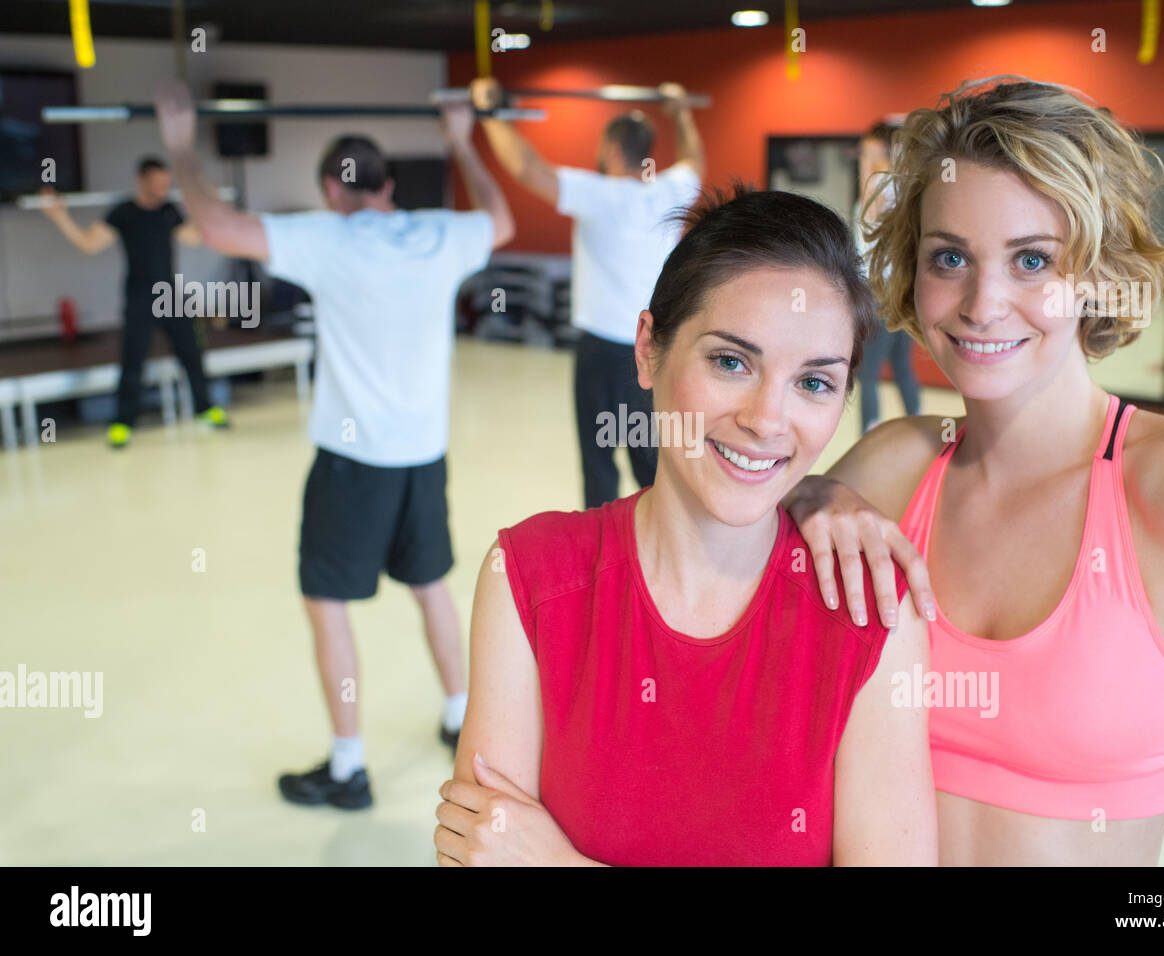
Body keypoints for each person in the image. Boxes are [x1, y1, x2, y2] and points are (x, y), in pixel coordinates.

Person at [784, 77, 1164, 865]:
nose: (983, 303)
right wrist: (801, 496)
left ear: (1096, 273)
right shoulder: (890, 466)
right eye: (949, 257)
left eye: (1032, 261)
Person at [433, 187, 937, 866]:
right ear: (648, 350)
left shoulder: (869, 613)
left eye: (813, 383)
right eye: (731, 362)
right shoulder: (531, 576)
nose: (766, 418)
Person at [151, 79, 515, 810]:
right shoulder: (439, 233)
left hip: (353, 467)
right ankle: (457, 716)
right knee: (429, 582)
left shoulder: (328, 238)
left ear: (330, 189)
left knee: (328, 603)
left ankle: (348, 770)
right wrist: (458, 139)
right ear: (385, 185)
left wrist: (181, 143)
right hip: (423, 457)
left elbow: (218, 226)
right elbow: (501, 219)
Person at [474, 78, 705, 508]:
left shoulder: (600, 195)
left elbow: (527, 168)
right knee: (650, 460)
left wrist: (489, 114)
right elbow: (695, 159)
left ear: (612, 150)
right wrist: (681, 113)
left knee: (599, 465)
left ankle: (605, 556)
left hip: (601, 352)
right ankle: (663, 546)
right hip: (653, 349)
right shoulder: (671, 190)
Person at [39, 157, 228, 448]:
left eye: (166, 184)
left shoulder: (169, 211)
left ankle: (205, 409)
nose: (163, 189)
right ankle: (123, 423)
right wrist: (59, 216)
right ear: (141, 181)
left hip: (170, 297)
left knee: (192, 353)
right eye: (157, 184)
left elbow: (196, 236)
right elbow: (87, 243)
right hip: (139, 296)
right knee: (133, 361)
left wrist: (209, 203)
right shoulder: (123, 213)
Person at [854, 121, 920, 431]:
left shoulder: (879, 180)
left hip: (878, 289)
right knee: (900, 367)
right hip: (899, 287)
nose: (863, 156)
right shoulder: (900, 185)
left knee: (868, 373)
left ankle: (868, 436)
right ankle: (922, 429)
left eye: (868, 148)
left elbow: (874, 215)